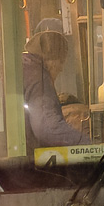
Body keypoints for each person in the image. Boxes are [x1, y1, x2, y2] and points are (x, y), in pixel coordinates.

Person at [22, 21, 92, 150]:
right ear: (52, 61)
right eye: (61, 62)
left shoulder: (27, 68)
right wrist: (88, 145)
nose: (61, 69)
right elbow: (47, 128)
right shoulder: (39, 79)